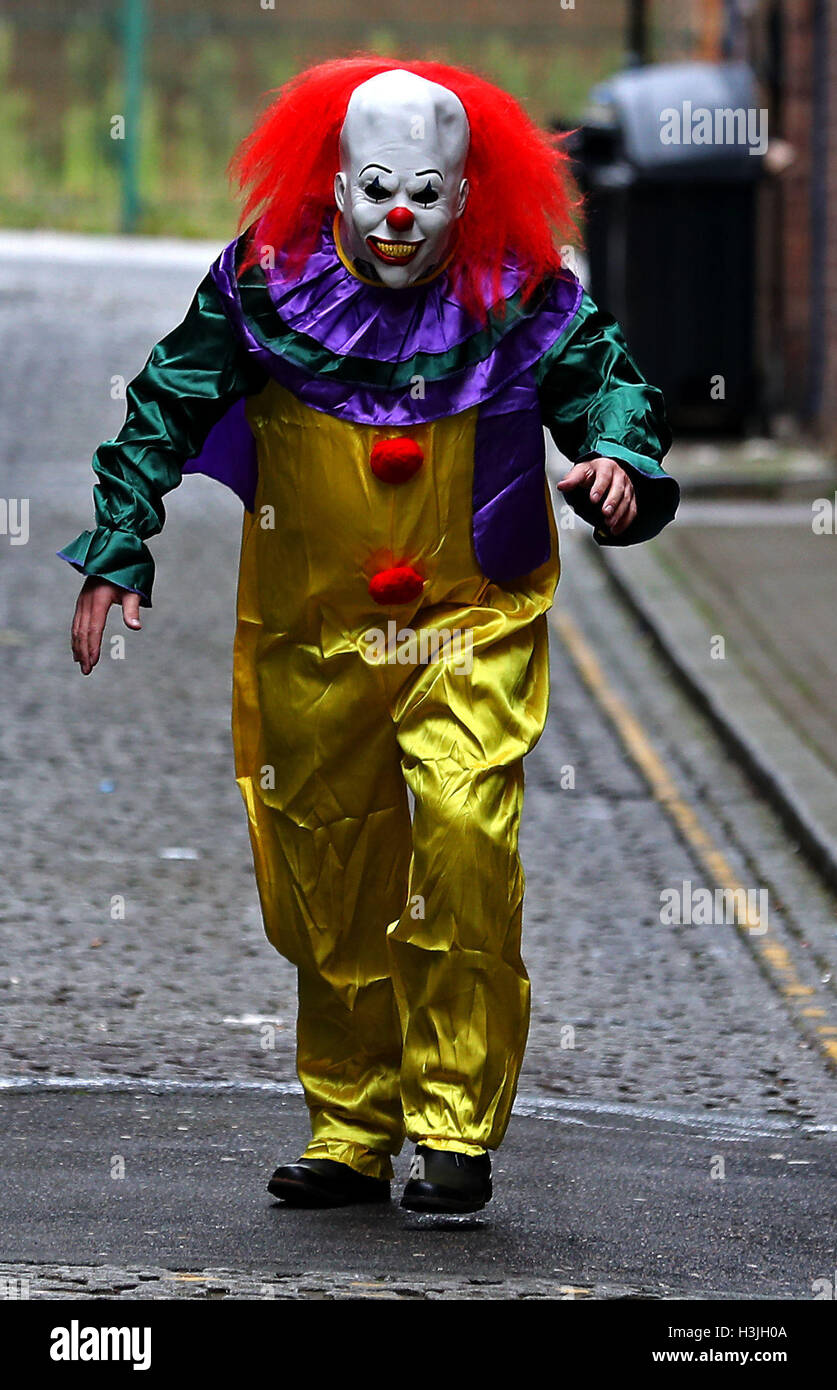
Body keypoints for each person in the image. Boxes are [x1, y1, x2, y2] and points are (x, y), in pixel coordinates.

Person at [63, 57, 678, 1215]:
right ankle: (351, 1124)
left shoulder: (521, 291)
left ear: (465, 192)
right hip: (311, 631)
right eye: (380, 189)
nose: (401, 219)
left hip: (471, 623)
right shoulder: (266, 283)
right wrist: (118, 535)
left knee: (462, 840)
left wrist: (619, 462)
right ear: (336, 183)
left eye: (430, 196)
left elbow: (611, 389)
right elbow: (168, 397)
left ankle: (452, 1124)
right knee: (329, 881)